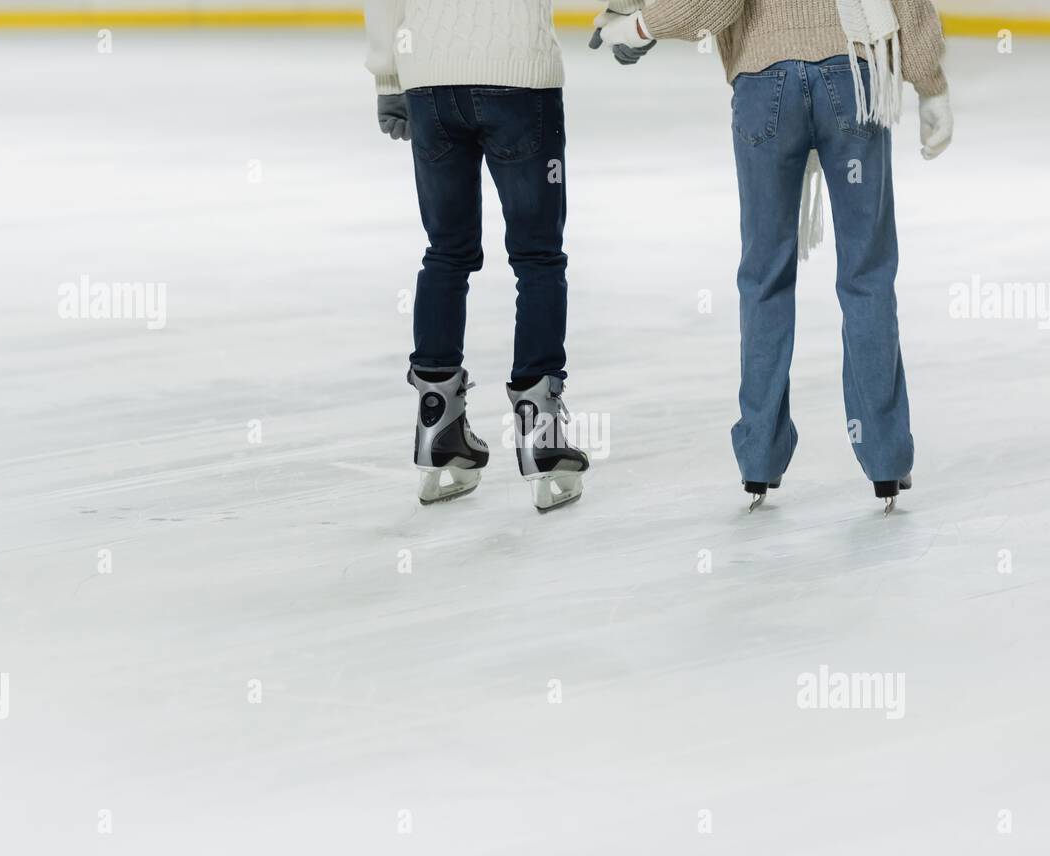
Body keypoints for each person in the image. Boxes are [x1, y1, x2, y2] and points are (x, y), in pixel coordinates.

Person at [593, 0, 954, 514]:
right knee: (867, 274)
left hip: (766, 85)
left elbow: (712, 4)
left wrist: (637, 24)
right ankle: (886, 459)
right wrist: (930, 81)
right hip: (852, 75)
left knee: (764, 277)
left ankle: (759, 459)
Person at [362, 1, 640, 512]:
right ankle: (541, 433)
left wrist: (388, 77)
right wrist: (625, 14)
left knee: (446, 252)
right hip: (519, 79)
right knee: (538, 258)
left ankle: (438, 427)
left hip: (429, 80)